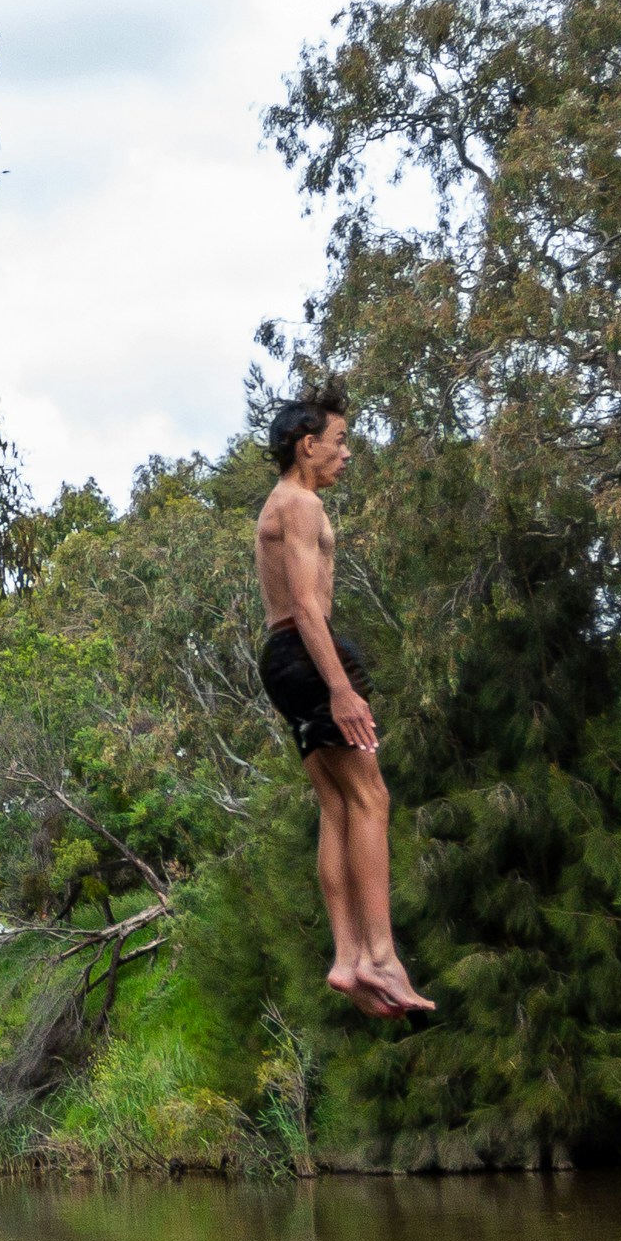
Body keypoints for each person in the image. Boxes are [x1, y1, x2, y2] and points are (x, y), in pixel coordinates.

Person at [255, 390, 434, 1019]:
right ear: (308, 445)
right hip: (310, 654)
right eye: (340, 441)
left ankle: (348, 956)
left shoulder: (279, 504)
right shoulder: (300, 503)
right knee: (370, 798)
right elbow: (307, 606)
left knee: (336, 803)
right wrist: (340, 686)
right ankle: (381, 955)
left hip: (283, 660)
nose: (347, 453)